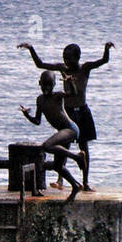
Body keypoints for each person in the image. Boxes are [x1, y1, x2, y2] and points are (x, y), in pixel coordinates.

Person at [17, 41, 113, 191]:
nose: (66, 62)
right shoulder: (62, 68)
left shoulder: (85, 68)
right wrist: (31, 49)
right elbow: (41, 65)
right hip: (67, 111)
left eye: (69, 59)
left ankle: (85, 183)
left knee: (83, 147)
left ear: (77, 58)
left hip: (82, 111)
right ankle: (60, 180)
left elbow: (103, 61)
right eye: (64, 59)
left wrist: (106, 49)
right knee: (62, 145)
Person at [19, 71, 88, 199]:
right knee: (58, 166)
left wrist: (70, 82)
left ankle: (77, 157)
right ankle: (76, 185)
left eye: (50, 85)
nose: (46, 88)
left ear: (54, 85)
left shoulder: (57, 96)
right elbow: (38, 121)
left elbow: (74, 93)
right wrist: (27, 115)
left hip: (70, 129)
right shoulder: (39, 100)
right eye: (44, 85)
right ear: (39, 83)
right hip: (61, 132)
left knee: (46, 146)